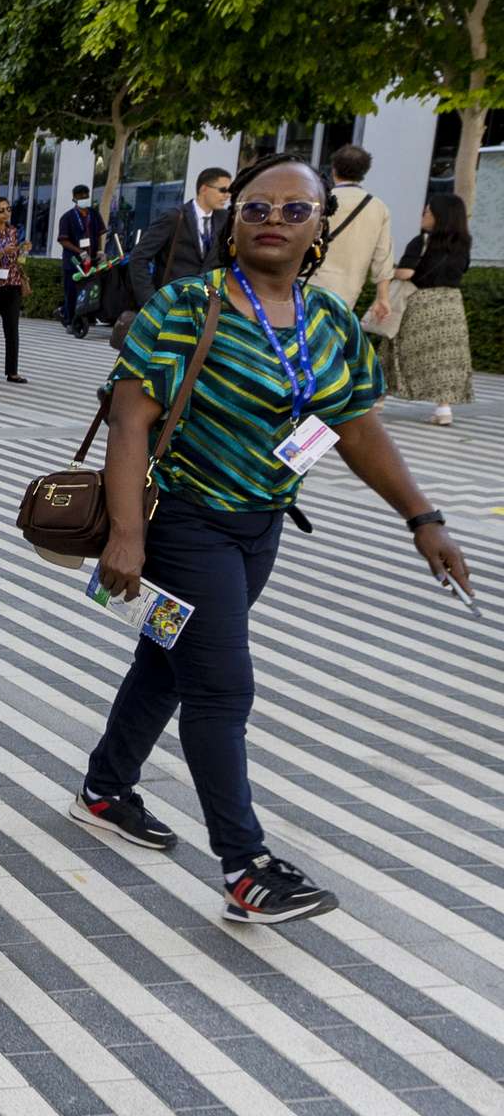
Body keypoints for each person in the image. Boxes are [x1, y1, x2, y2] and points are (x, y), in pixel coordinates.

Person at [75, 153, 471, 925]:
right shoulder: (188, 305)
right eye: (256, 208)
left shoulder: (328, 324)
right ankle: (246, 868)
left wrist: (423, 519)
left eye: (296, 211)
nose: (274, 222)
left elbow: (356, 428)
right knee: (222, 688)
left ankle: (105, 787)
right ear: (232, 221)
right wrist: (124, 534)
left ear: (321, 226)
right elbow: (131, 418)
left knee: (167, 661)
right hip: (184, 524)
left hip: (261, 530)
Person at [379, 194, 475, 426]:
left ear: (440, 216)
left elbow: (406, 274)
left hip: (422, 302)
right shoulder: (463, 243)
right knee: (446, 357)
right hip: (451, 303)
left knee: (395, 348)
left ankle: (377, 400)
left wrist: (390, 272)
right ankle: (444, 409)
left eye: (428, 212)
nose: (423, 215)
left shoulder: (421, 241)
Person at [311, 145, 397, 315]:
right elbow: (383, 256)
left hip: (309, 279)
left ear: (333, 169)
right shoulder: (378, 208)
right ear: (364, 172)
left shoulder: (318, 200)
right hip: (348, 290)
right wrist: (383, 297)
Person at [132, 168, 232, 305]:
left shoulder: (225, 219)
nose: (227, 196)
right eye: (223, 190)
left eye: (229, 191)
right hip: (171, 303)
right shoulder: (174, 217)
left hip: (206, 305)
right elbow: (138, 257)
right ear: (204, 189)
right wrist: (150, 300)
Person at [0, 197, 32, 383]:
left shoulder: (13, 232)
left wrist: (24, 251)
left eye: (8, 209)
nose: (6, 213)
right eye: (1, 210)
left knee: (12, 329)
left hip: (13, 283)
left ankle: (12, 371)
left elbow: (19, 261)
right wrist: (2, 252)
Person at [57, 185, 107, 331]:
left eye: (86, 196)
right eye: (80, 197)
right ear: (74, 198)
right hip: (73, 261)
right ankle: (69, 320)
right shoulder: (67, 217)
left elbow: (99, 234)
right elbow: (63, 240)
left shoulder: (94, 214)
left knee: (91, 289)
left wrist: (99, 251)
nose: (84, 199)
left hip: (91, 259)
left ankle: (88, 317)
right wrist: (79, 252)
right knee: (72, 290)